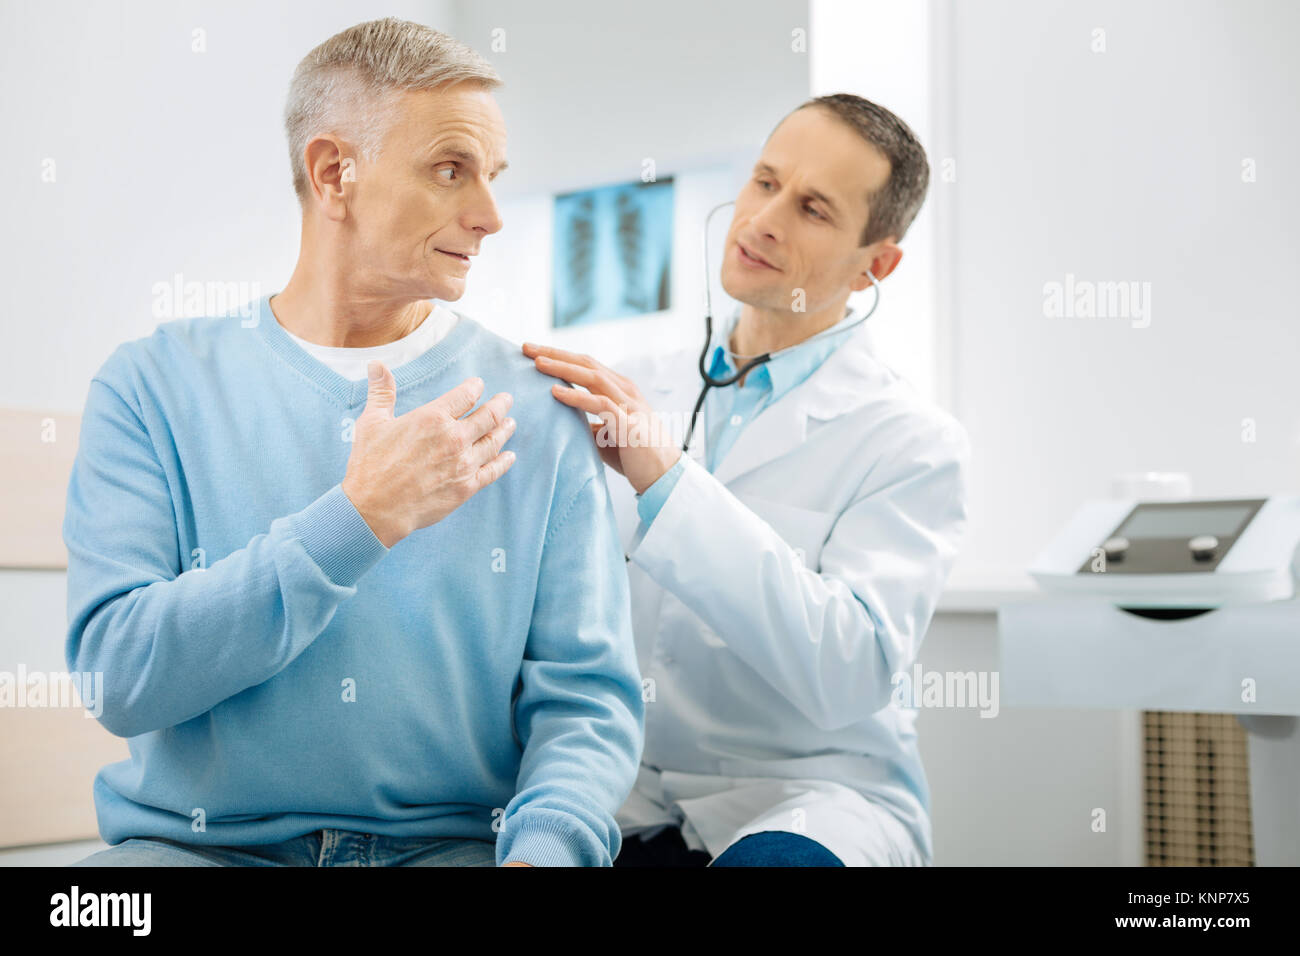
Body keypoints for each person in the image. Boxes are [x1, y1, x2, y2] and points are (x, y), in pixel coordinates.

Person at [64, 17, 643, 868]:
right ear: (335, 173)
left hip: (451, 853)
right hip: (198, 852)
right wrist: (357, 520)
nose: (489, 216)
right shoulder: (150, 386)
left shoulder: (536, 405)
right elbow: (118, 676)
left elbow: (586, 706)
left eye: (493, 176)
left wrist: (545, 852)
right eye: (450, 169)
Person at [524, 93, 970, 866]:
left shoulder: (912, 442)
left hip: (808, 797)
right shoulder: (636, 386)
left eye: (813, 209)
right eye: (765, 181)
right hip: (626, 790)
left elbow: (849, 670)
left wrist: (669, 483)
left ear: (877, 264)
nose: (763, 219)